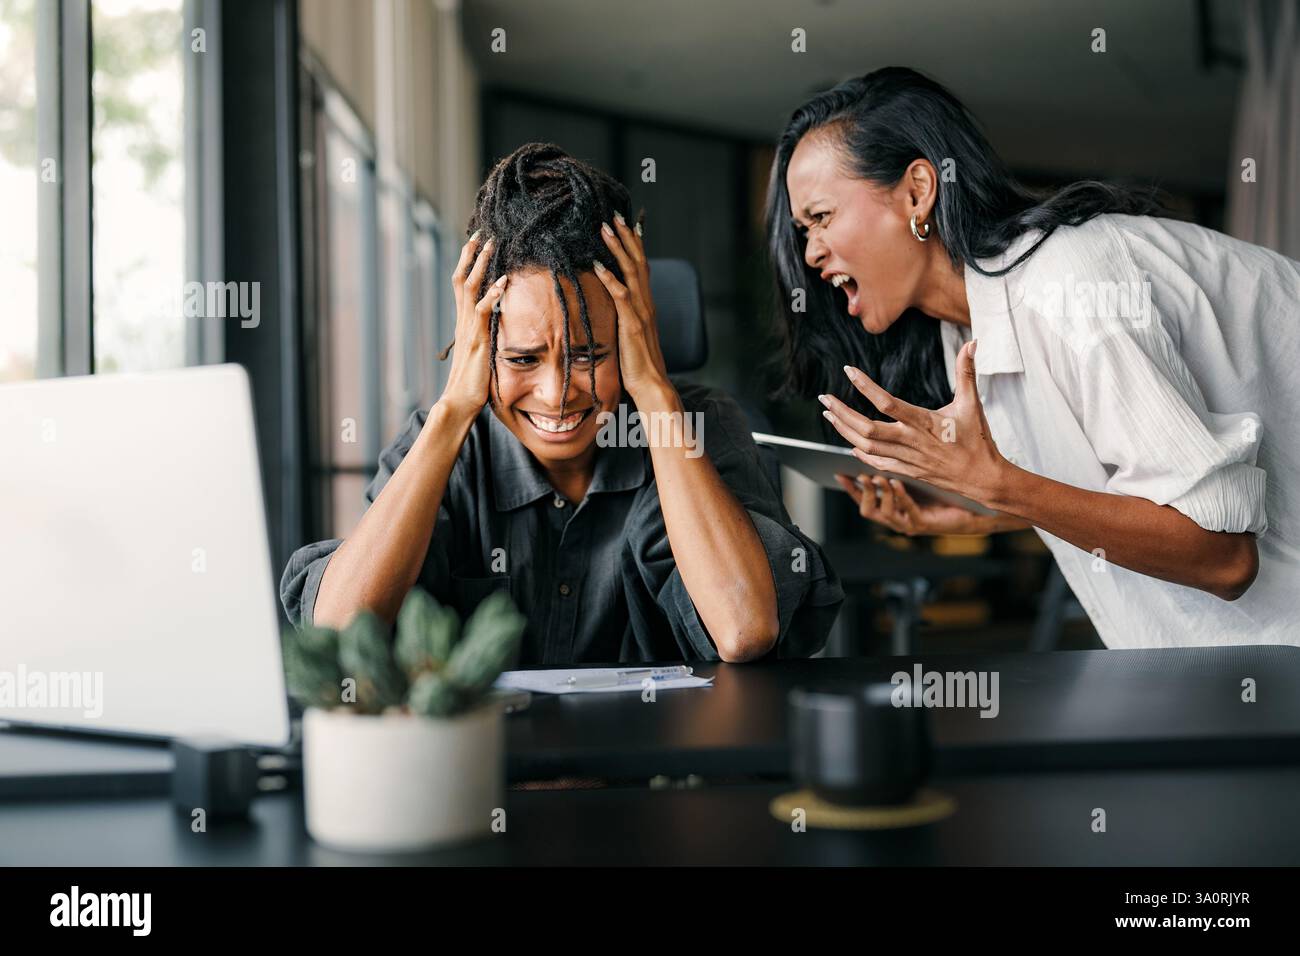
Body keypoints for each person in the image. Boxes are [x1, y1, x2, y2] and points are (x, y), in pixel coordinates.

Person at [766, 67, 1299, 648]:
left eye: (820, 218)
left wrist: (999, 487)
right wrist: (983, 513)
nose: (811, 252)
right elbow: (1126, 490)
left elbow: (1221, 554)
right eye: (802, 230)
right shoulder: (964, 336)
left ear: (917, 191)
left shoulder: (1073, 285)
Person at [282, 143, 842, 664]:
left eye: (587, 355)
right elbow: (340, 633)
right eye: (523, 359)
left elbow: (744, 628)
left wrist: (653, 392)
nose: (556, 395)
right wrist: (454, 407)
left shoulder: (697, 426)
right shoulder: (443, 442)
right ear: (480, 347)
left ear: (631, 333)